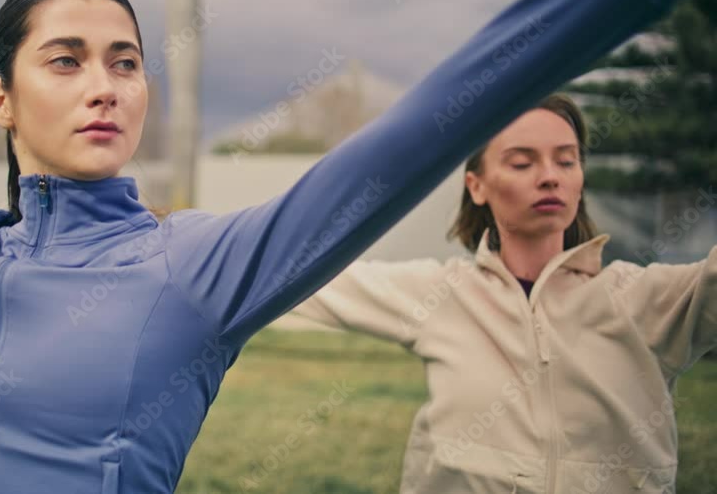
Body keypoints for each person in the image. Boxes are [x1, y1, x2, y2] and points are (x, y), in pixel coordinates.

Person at [0, 0, 715, 492]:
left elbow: (435, 112)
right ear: (0, 98)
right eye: (66, 59)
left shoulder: (196, 266)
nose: (104, 84)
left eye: (126, 61)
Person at [284, 93, 717, 493]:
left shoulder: (645, 299)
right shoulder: (441, 294)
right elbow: (291, 279)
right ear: (477, 185)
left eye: (566, 161)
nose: (550, 177)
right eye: (522, 163)